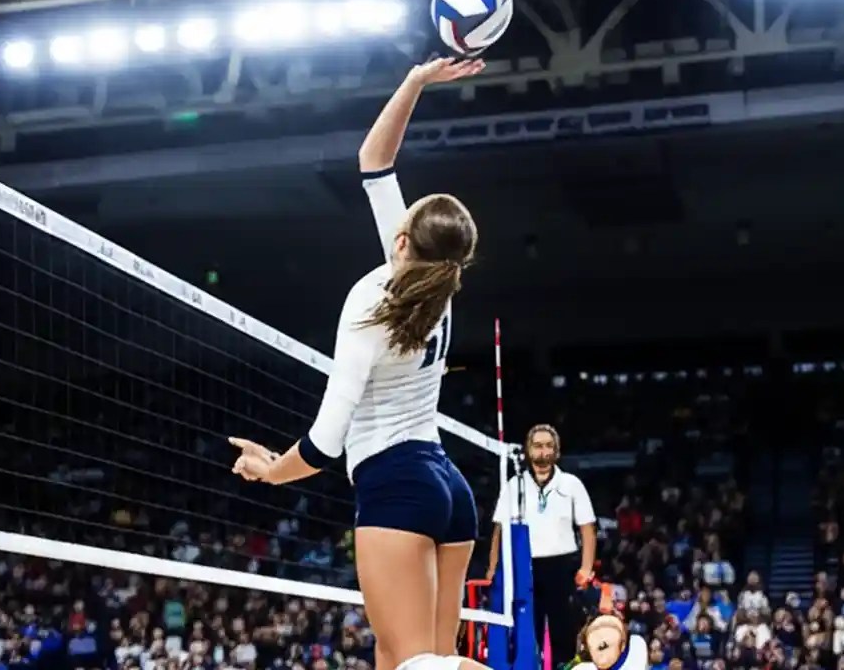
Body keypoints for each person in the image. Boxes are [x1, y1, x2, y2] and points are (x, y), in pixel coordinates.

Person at [228, 57, 494, 670]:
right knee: (412, 661)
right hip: (448, 489)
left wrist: (269, 471)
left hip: (397, 485)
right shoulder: (439, 283)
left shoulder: (371, 304)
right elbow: (376, 163)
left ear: (403, 239)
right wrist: (415, 82)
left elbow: (326, 442)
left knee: (414, 666)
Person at [487, 424, 597, 669]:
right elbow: (499, 530)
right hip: (525, 567)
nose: (543, 451)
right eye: (538, 445)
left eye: (549, 446)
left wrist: (586, 567)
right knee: (527, 632)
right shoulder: (514, 485)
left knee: (564, 632)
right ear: (528, 450)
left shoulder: (571, 484)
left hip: (562, 566)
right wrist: (493, 569)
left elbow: (588, 529)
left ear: (556, 451)